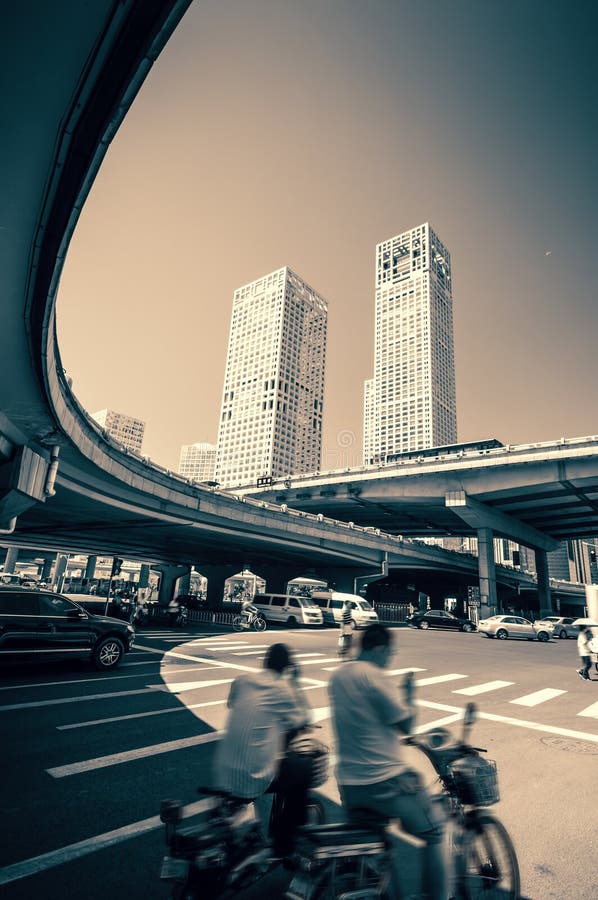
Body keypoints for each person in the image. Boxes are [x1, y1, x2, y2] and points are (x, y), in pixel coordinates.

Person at [329, 623, 447, 900]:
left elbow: (365, 717)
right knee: (435, 832)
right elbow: (405, 725)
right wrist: (408, 693)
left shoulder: (338, 675)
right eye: (389, 653)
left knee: (376, 843)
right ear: (379, 649)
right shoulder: (374, 675)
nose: (389, 659)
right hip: (384, 782)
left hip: (348, 782)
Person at [213, 643, 312, 859]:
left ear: (265, 662)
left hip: (222, 773)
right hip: (250, 776)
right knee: (303, 770)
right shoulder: (283, 688)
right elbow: (302, 719)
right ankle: (284, 844)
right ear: (286, 667)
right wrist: (294, 682)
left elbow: (232, 704)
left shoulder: (242, 681)